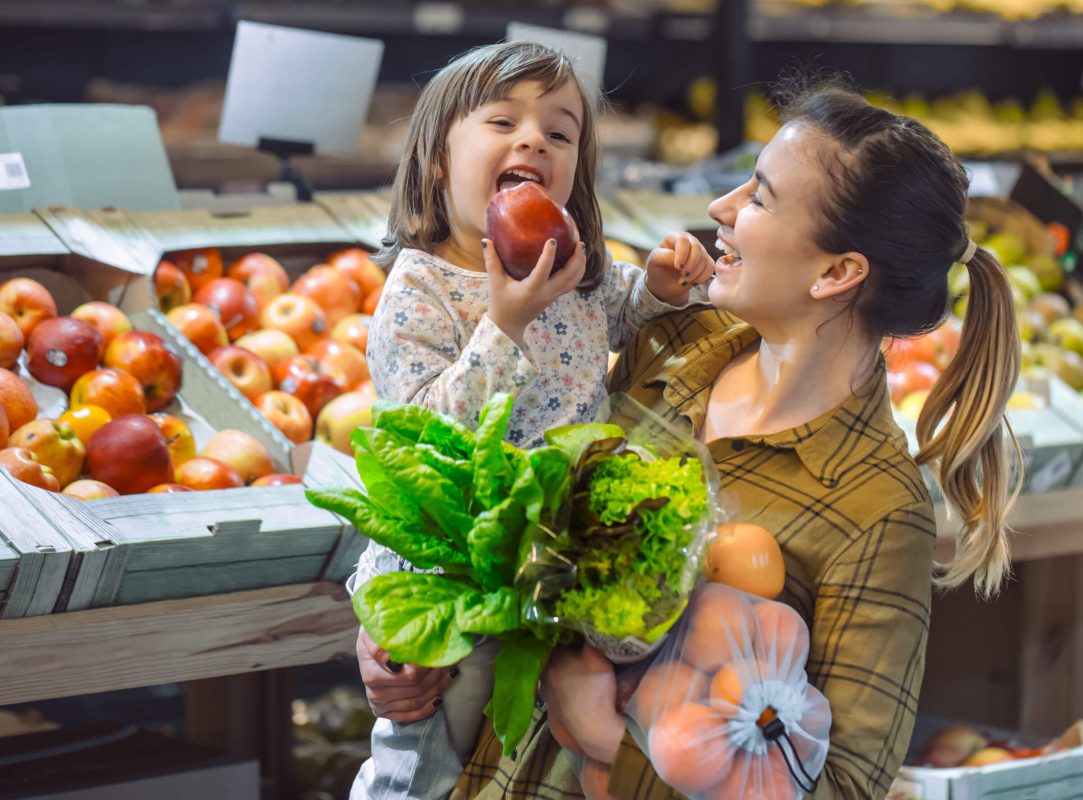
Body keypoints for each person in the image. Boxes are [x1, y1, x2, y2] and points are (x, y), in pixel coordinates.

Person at [448, 78, 1024, 799]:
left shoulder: (879, 511)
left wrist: (609, 742)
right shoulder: (672, 347)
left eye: (757, 198)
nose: (719, 210)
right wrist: (417, 658)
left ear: (837, 273)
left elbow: (845, 786)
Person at [352, 40, 714, 799]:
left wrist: (661, 285)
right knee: (434, 751)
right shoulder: (423, 289)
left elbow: (626, 311)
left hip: (554, 572)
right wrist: (505, 324)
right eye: (502, 122)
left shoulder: (577, 269)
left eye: (559, 132)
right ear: (437, 164)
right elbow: (422, 439)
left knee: (525, 760)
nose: (533, 141)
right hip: (459, 573)